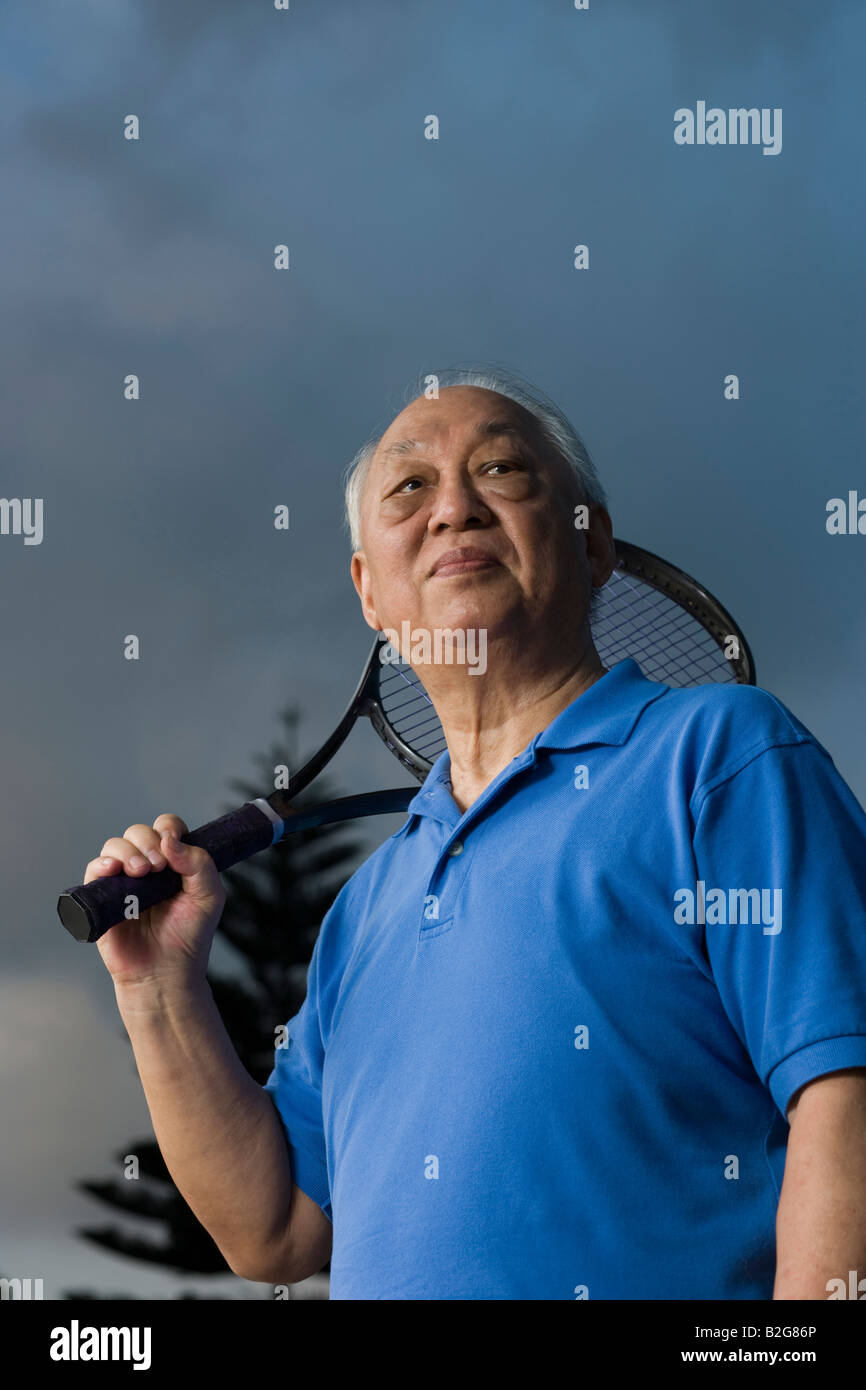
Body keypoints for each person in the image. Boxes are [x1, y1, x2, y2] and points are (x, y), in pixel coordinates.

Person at [85, 366, 866, 1299]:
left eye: (503, 471)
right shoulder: (365, 909)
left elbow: (848, 1098)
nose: (454, 508)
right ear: (370, 592)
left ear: (593, 544)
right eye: (410, 486)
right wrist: (161, 992)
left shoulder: (722, 754)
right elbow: (276, 1231)